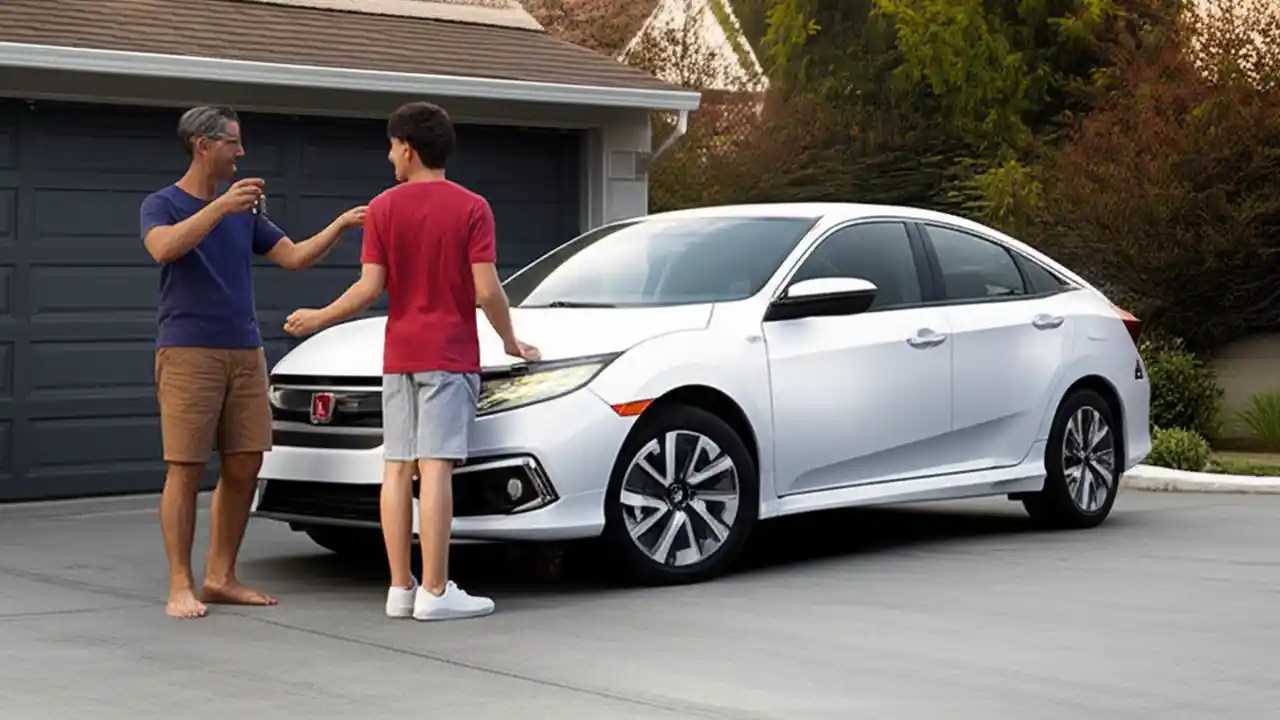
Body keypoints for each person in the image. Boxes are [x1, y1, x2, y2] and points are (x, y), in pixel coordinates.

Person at [283, 101, 539, 621]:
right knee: (437, 467)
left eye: (390, 148)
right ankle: (437, 591)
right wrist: (510, 340)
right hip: (448, 355)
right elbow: (487, 289)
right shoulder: (472, 207)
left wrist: (319, 316)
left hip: (399, 356)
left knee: (396, 468)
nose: (388, 158)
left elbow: (368, 288)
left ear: (407, 147)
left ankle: (401, 589)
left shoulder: (382, 208)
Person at [140, 105, 366, 619]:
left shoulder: (245, 211)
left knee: (245, 462)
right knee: (185, 466)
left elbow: (294, 257)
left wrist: (341, 224)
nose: (241, 154)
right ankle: (181, 584)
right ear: (203, 144)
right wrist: (221, 208)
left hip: (245, 352)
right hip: (188, 351)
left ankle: (221, 577)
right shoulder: (163, 204)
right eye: (233, 144)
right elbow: (164, 249)